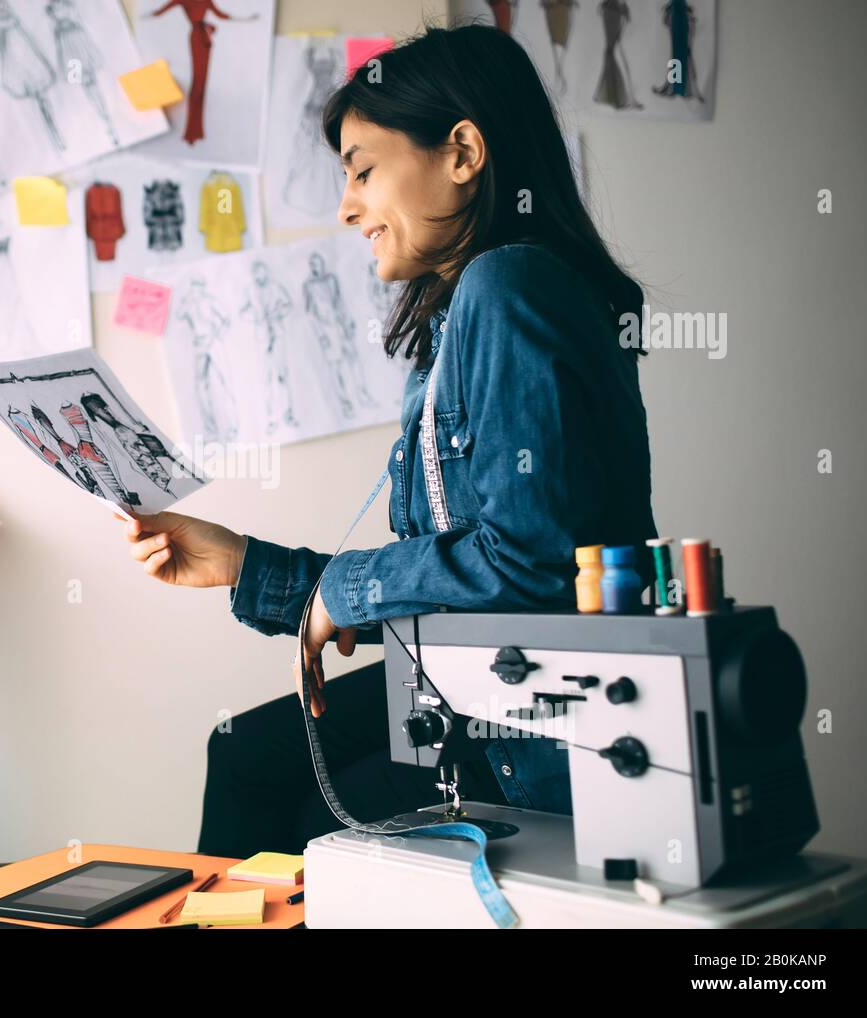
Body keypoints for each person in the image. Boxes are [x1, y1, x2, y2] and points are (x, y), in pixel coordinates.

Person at [117, 24, 657, 858]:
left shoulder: (508, 286)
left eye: (364, 170)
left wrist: (343, 591)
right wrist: (245, 565)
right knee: (246, 756)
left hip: (539, 721)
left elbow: (528, 562)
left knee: (297, 817)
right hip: (479, 682)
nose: (345, 207)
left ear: (463, 152)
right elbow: (455, 583)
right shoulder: (468, 311)